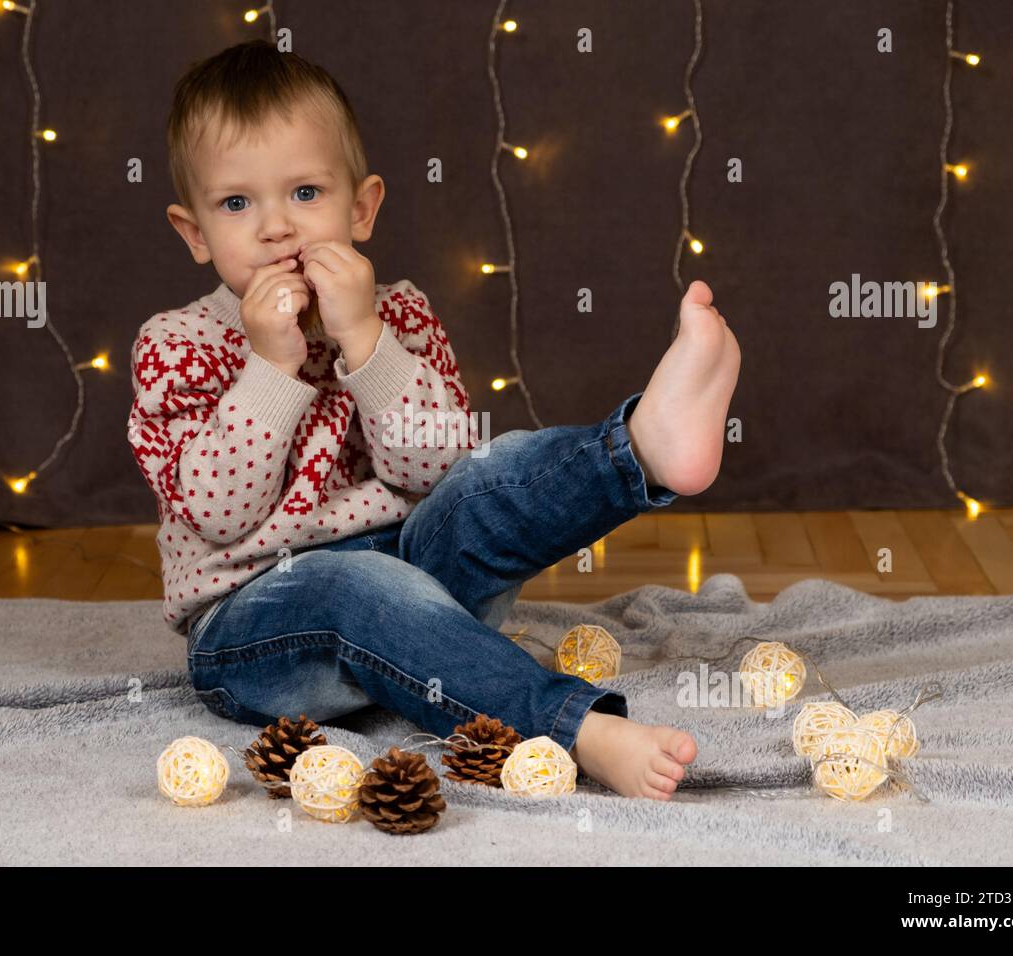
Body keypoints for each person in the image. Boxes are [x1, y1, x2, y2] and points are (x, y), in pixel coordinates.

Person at [127, 40, 741, 800]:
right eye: (236, 204)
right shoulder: (177, 346)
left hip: (423, 578)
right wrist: (270, 367)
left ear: (363, 207)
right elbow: (222, 515)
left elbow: (430, 472)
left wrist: (365, 340)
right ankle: (575, 730)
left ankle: (639, 450)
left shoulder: (400, 314)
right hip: (257, 626)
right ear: (195, 233)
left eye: (306, 194)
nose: (277, 227)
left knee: (488, 477)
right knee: (352, 583)